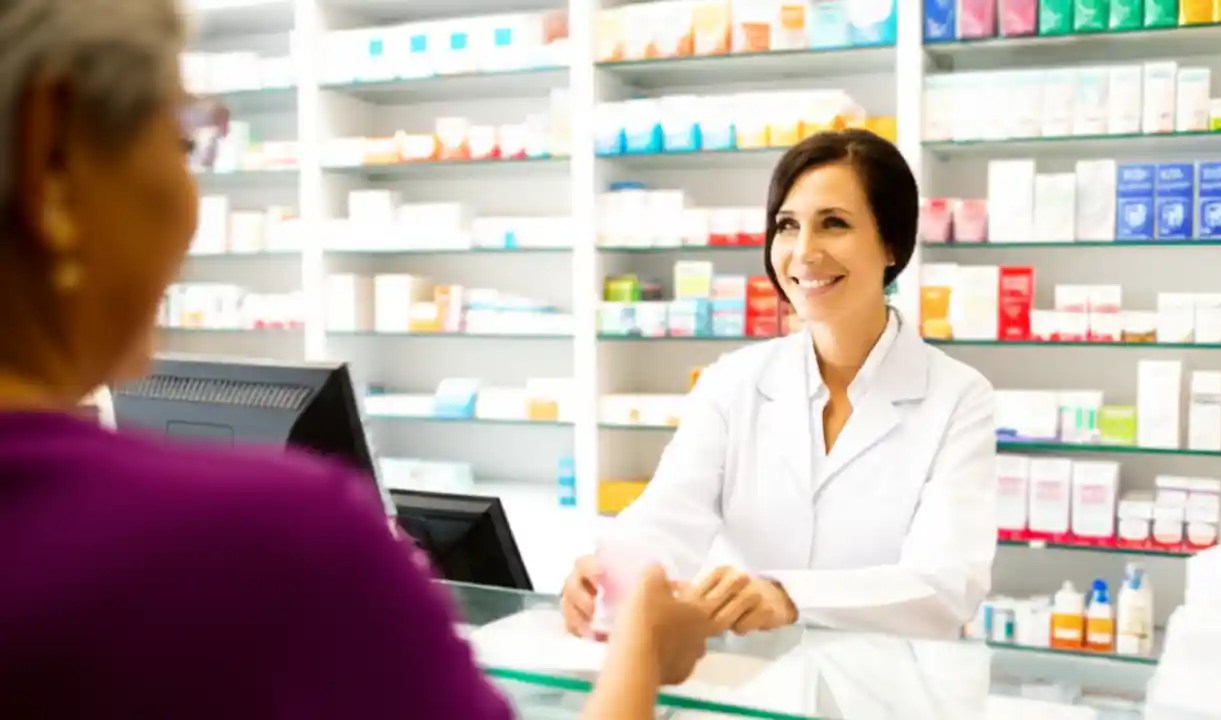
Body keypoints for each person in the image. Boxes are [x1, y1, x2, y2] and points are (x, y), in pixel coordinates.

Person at [0, 2, 708, 718]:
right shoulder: (279, 541)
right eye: (183, 142)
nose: (193, 204)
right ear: (48, 155)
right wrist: (641, 645)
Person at [563, 129, 998, 641]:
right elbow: (668, 516)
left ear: (891, 243)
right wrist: (609, 575)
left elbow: (946, 585)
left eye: (833, 224)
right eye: (787, 226)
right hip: (750, 685)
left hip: (889, 695)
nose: (803, 252)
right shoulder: (733, 381)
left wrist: (788, 597)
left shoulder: (958, 397)